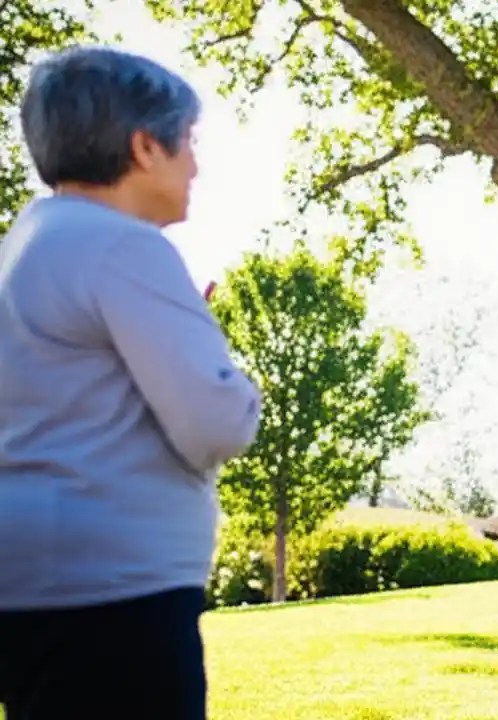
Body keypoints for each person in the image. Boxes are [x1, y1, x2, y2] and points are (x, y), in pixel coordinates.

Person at [0, 46, 261, 719]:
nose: (196, 165)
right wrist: (216, 358)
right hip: (115, 596)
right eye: (189, 142)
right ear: (145, 146)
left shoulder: (26, 245)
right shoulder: (124, 246)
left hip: (29, 588)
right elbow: (218, 423)